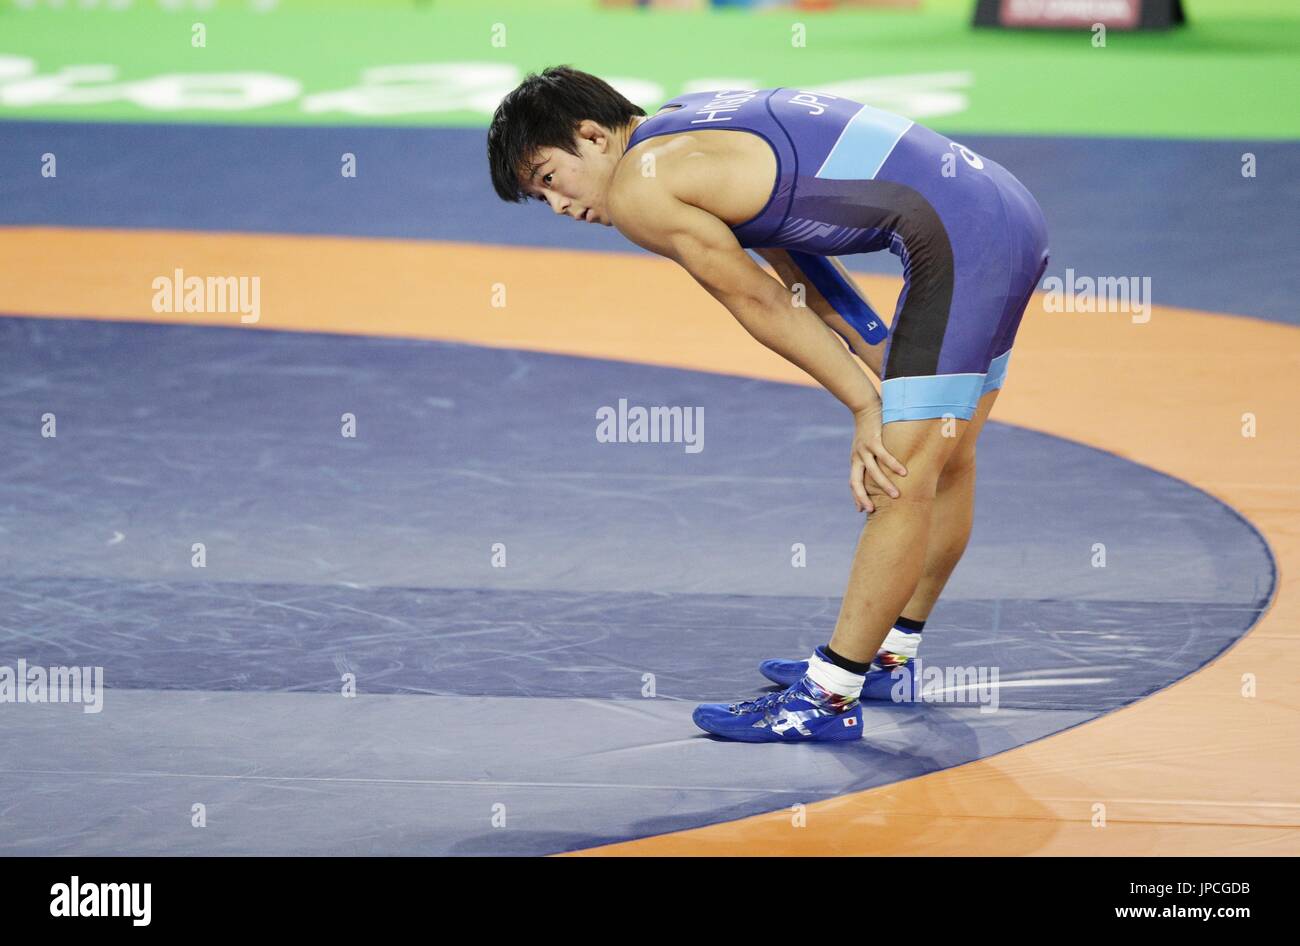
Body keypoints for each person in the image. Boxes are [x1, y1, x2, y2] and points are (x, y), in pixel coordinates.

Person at [487, 66, 1049, 742]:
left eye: (550, 178)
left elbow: (755, 301)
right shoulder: (694, 123)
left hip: (963, 242)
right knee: (942, 456)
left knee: (898, 478)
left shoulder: (642, 188)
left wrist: (868, 409)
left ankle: (830, 697)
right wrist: (880, 364)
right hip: (1006, 213)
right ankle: (888, 657)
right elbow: (799, 265)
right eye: (538, 197)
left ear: (592, 135)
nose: (560, 208)